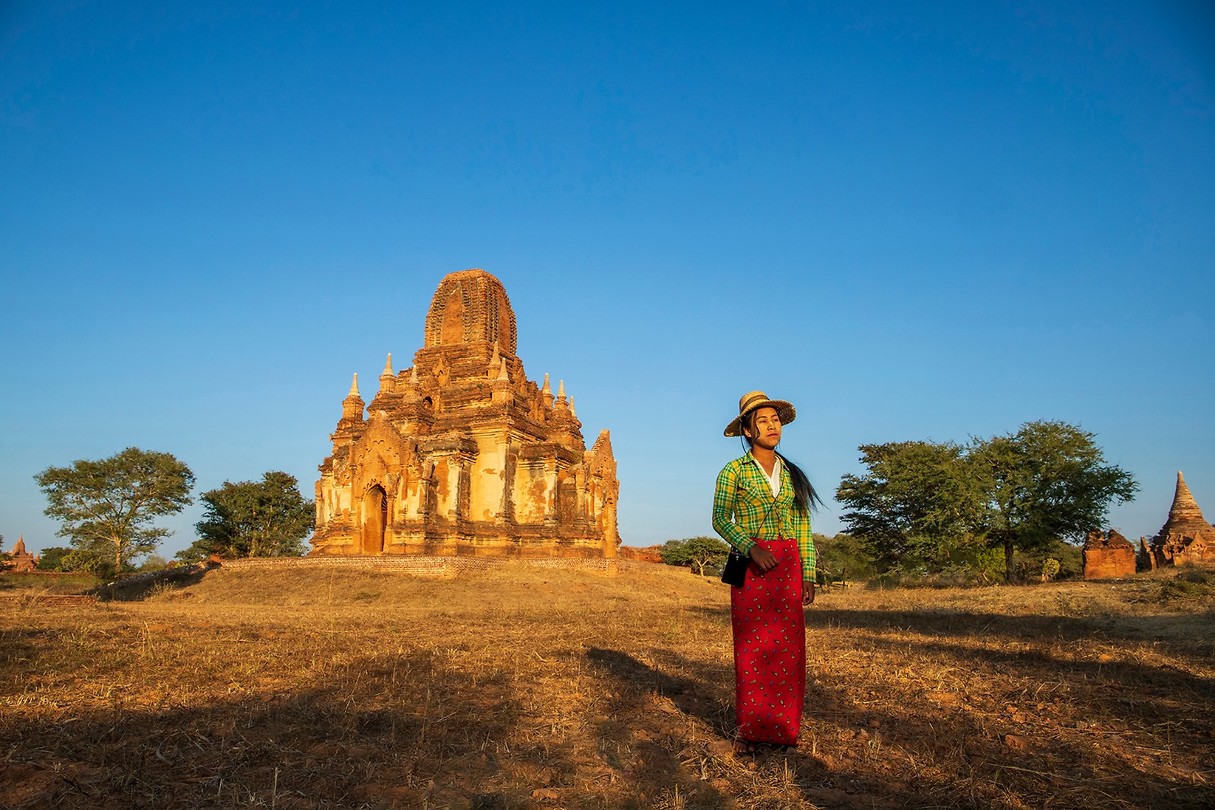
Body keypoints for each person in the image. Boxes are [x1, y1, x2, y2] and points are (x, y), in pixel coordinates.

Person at [712, 390, 820, 752]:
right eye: (762, 421)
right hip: (751, 565)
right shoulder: (734, 471)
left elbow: (802, 525)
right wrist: (750, 546)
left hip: (788, 561)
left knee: (788, 649)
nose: (772, 426)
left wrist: (809, 573)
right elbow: (719, 519)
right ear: (747, 430)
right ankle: (750, 731)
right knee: (751, 647)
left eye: (775, 420)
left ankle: (784, 731)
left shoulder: (792, 474)